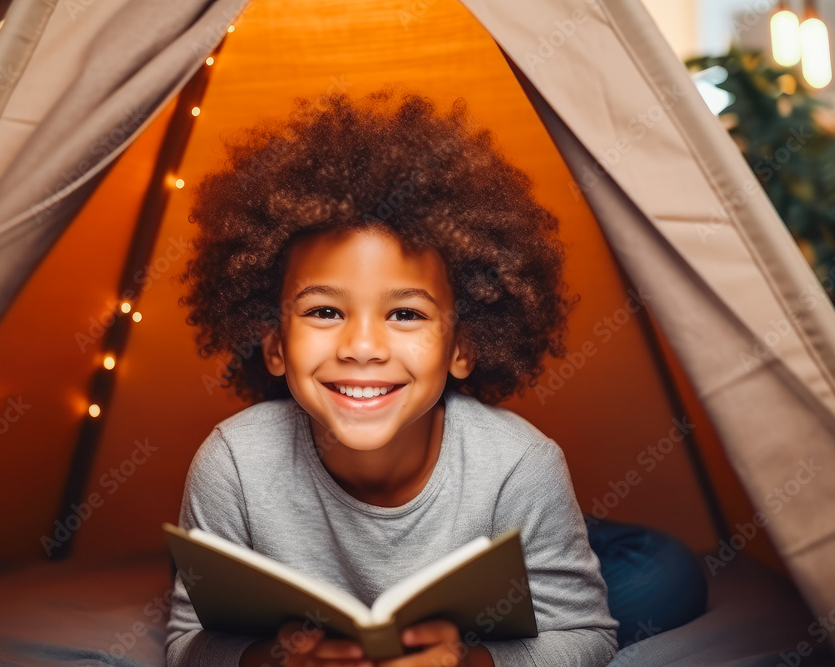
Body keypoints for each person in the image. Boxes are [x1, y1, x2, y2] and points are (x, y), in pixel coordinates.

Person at [166, 84, 621, 666]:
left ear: (462, 346)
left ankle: (597, 535)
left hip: (541, 527)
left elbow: (587, 633)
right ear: (275, 345)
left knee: (664, 579)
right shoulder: (232, 462)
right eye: (324, 312)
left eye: (405, 314)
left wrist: (472, 663)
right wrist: (275, 660)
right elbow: (187, 644)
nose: (362, 347)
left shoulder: (520, 467)